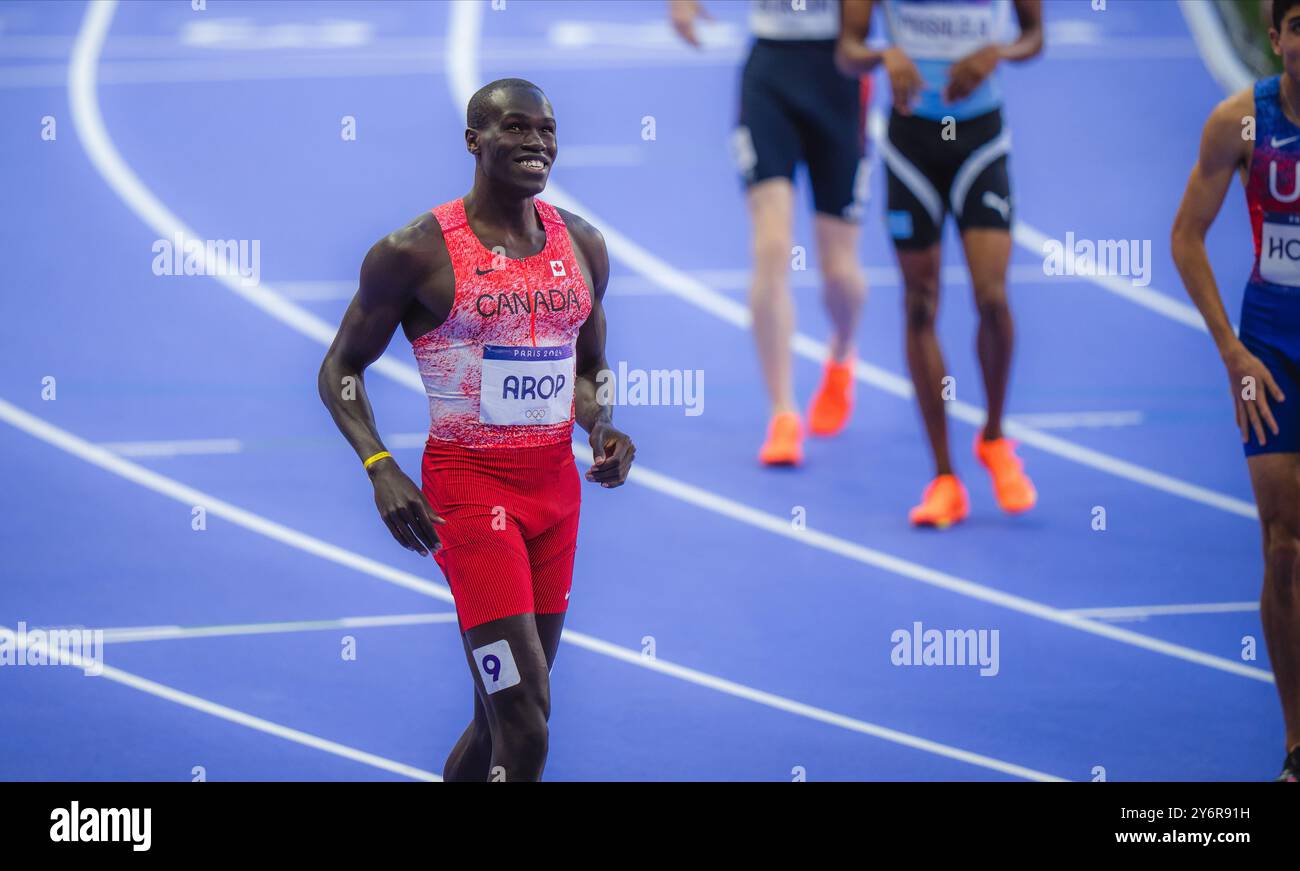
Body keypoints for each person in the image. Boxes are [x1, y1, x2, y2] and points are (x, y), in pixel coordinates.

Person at [318, 78, 635, 782]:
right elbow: (339, 369)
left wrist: (602, 425)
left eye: (546, 130)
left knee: (499, 714)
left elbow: (587, 369)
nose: (535, 143)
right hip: (470, 497)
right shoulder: (415, 252)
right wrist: (379, 464)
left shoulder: (583, 245)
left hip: (555, 497)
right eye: (515, 128)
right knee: (527, 717)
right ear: (474, 141)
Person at [836, 0, 1042, 527]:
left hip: (981, 141)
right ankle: (944, 477)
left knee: (991, 297)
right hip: (912, 146)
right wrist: (885, 57)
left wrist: (997, 52)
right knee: (920, 306)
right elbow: (847, 50)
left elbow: (1035, 35)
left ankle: (994, 436)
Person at [1171, 0, 1300, 782]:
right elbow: (1186, 235)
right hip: (1271, 344)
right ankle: (1296, 744)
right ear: (1277, 34)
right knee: (1283, 547)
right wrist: (1232, 351)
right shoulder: (1240, 125)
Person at [671, 0, 871, 465]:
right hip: (770, 75)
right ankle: (783, 412)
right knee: (772, 245)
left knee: (841, 274)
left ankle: (842, 351)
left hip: (839, 73)